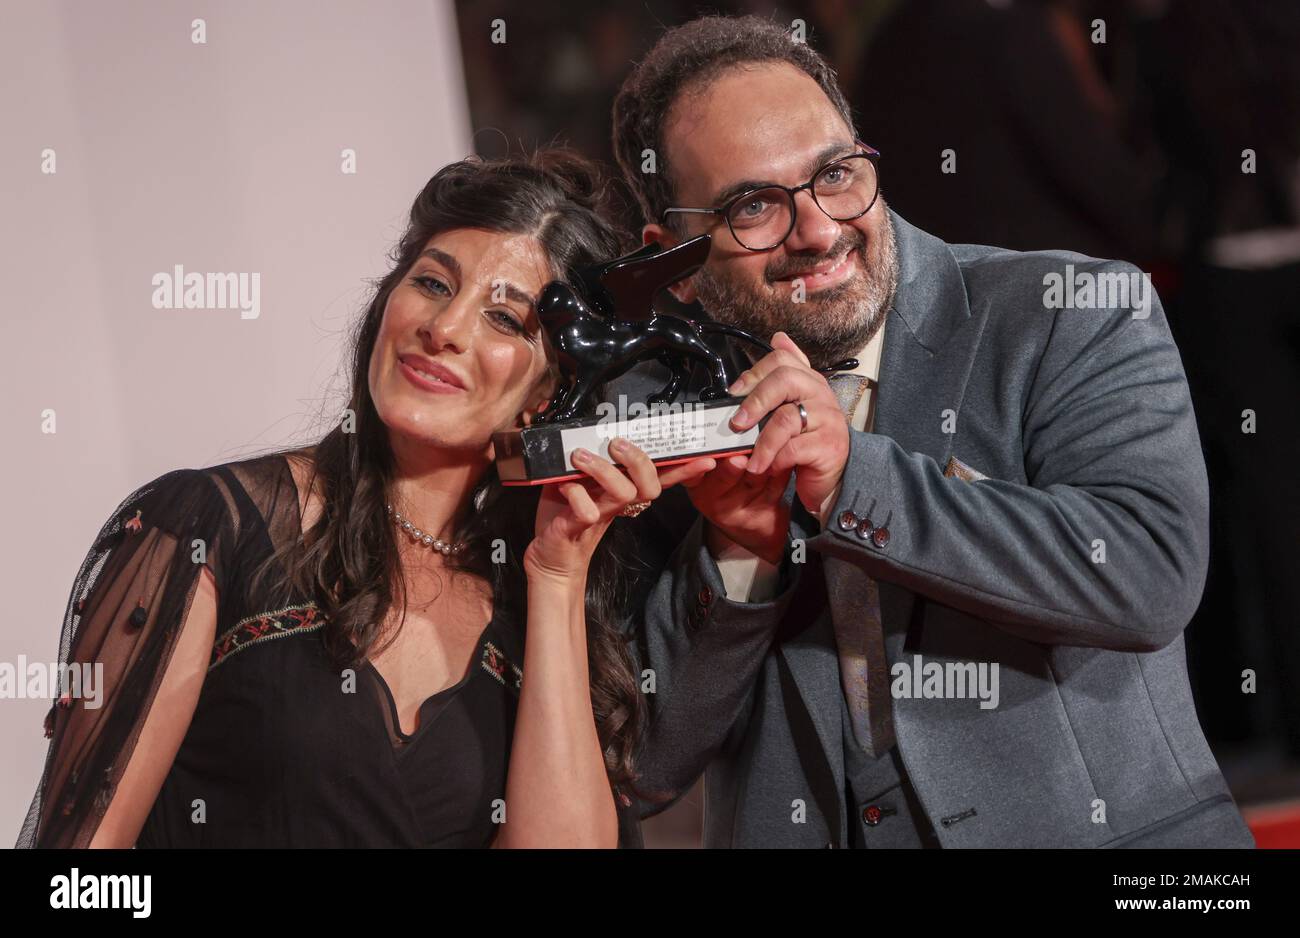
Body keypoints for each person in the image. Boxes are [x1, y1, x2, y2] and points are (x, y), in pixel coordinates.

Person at [611, 15, 1256, 848]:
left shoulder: (1070, 312)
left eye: (835, 175)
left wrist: (854, 482)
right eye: (753, 207)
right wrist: (737, 555)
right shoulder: (664, 422)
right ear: (677, 264)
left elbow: (1148, 572)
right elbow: (642, 767)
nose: (818, 230)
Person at [15, 149, 713, 849]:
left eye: (504, 320)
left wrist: (558, 578)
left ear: (545, 396)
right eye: (434, 283)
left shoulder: (529, 612)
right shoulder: (210, 528)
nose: (444, 328)